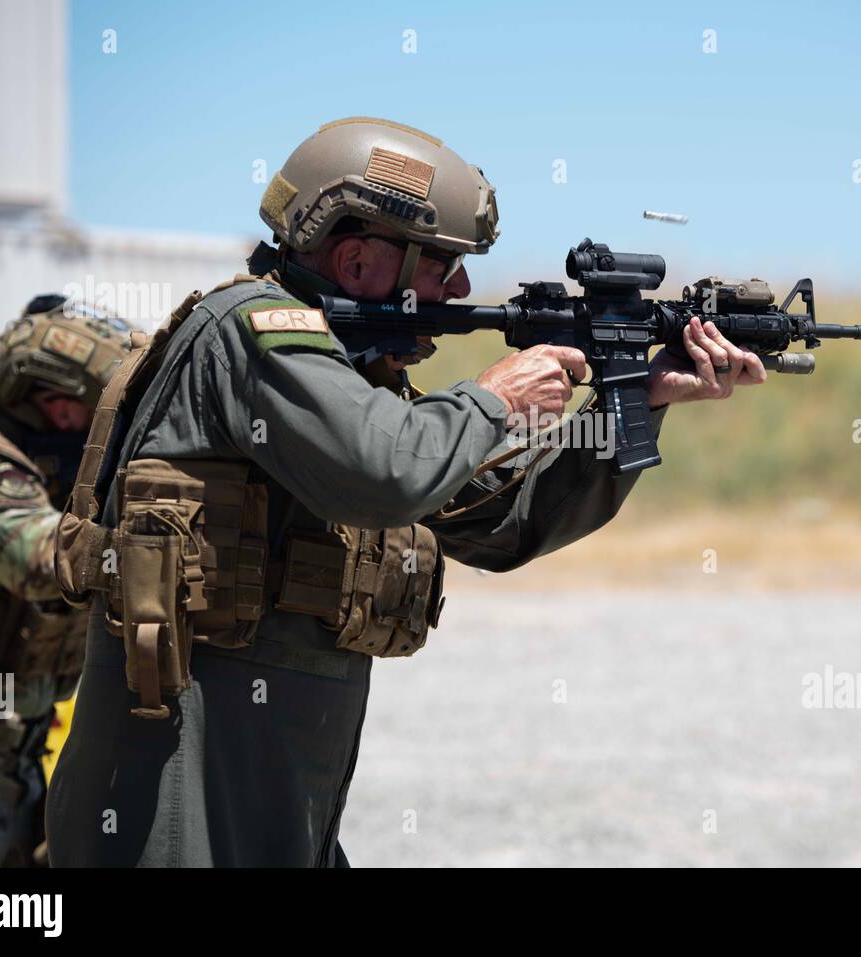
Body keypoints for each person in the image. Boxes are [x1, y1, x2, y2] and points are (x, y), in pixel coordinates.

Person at [47, 117, 766, 867]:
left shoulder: (356, 380)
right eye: (442, 264)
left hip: (276, 808)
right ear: (356, 261)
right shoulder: (255, 331)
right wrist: (494, 400)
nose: (458, 288)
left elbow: (503, 524)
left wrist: (641, 403)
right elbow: (386, 474)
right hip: (174, 809)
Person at [0, 295, 136, 866]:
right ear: (61, 408)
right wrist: (158, 544)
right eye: (107, 412)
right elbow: (44, 562)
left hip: (12, 752)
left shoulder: (59, 471)